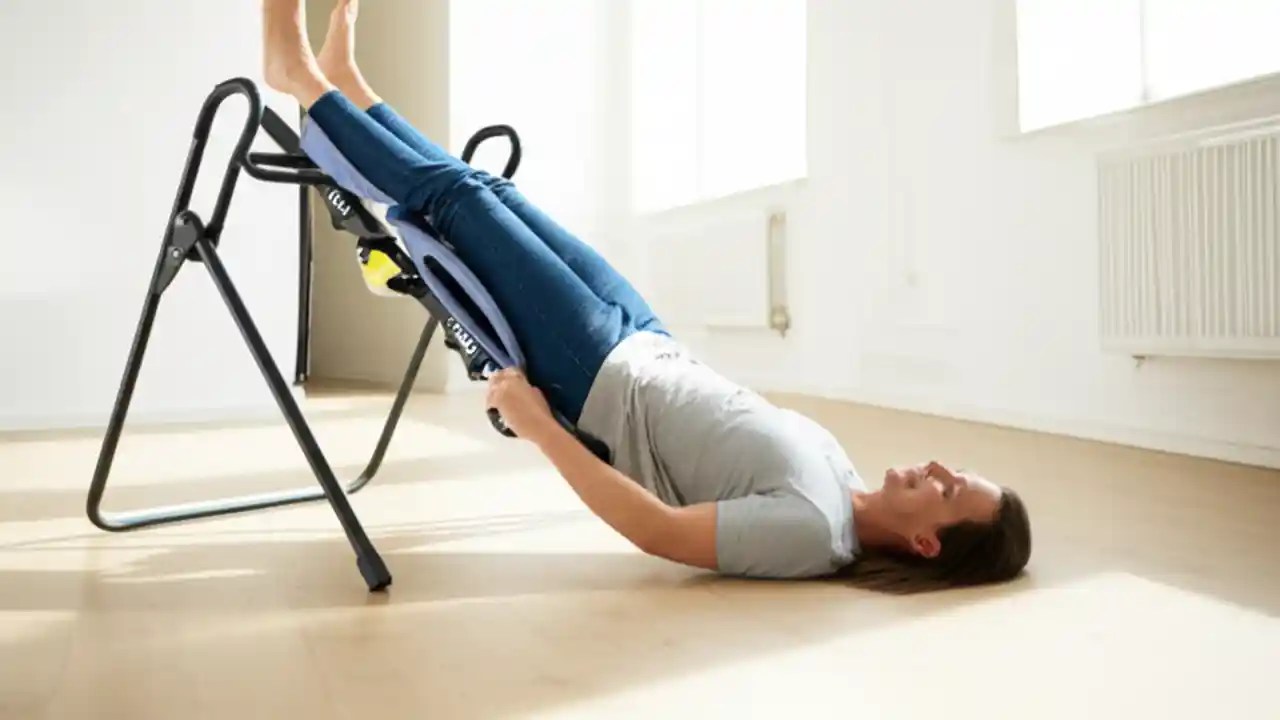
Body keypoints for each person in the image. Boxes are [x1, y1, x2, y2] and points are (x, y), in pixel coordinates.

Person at [262, 0, 1031, 592]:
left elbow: (659, 530)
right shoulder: (841, 479)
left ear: (927, 542)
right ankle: (354, 92)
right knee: (484, 188)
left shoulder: (811, 534)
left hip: (594, 375)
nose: (936, 468)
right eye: (951, 469)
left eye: (948, 488)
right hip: (640, 336)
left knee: (459, 205)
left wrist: (538, 427)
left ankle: (300, 77)